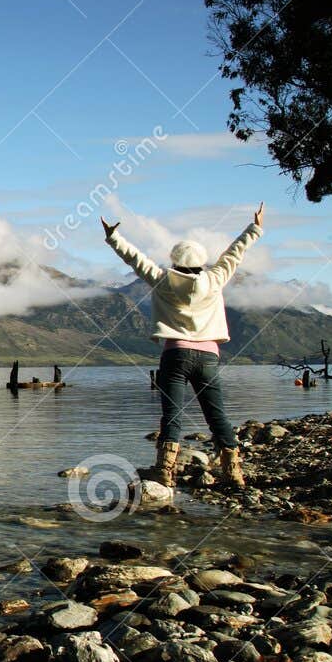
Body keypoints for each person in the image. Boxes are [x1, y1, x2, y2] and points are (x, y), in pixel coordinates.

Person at [100, 205, 264, 489]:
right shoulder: (215, 278)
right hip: (208, 356)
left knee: (171, 415)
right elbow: (235, 253)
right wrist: (255, 228)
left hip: (175, 354)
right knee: (217, 415)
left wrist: (114, 237)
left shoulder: (163, 279)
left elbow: (135, 259)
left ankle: (164, 471)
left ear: (174, 260)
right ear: (202, 260)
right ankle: (233, 473)